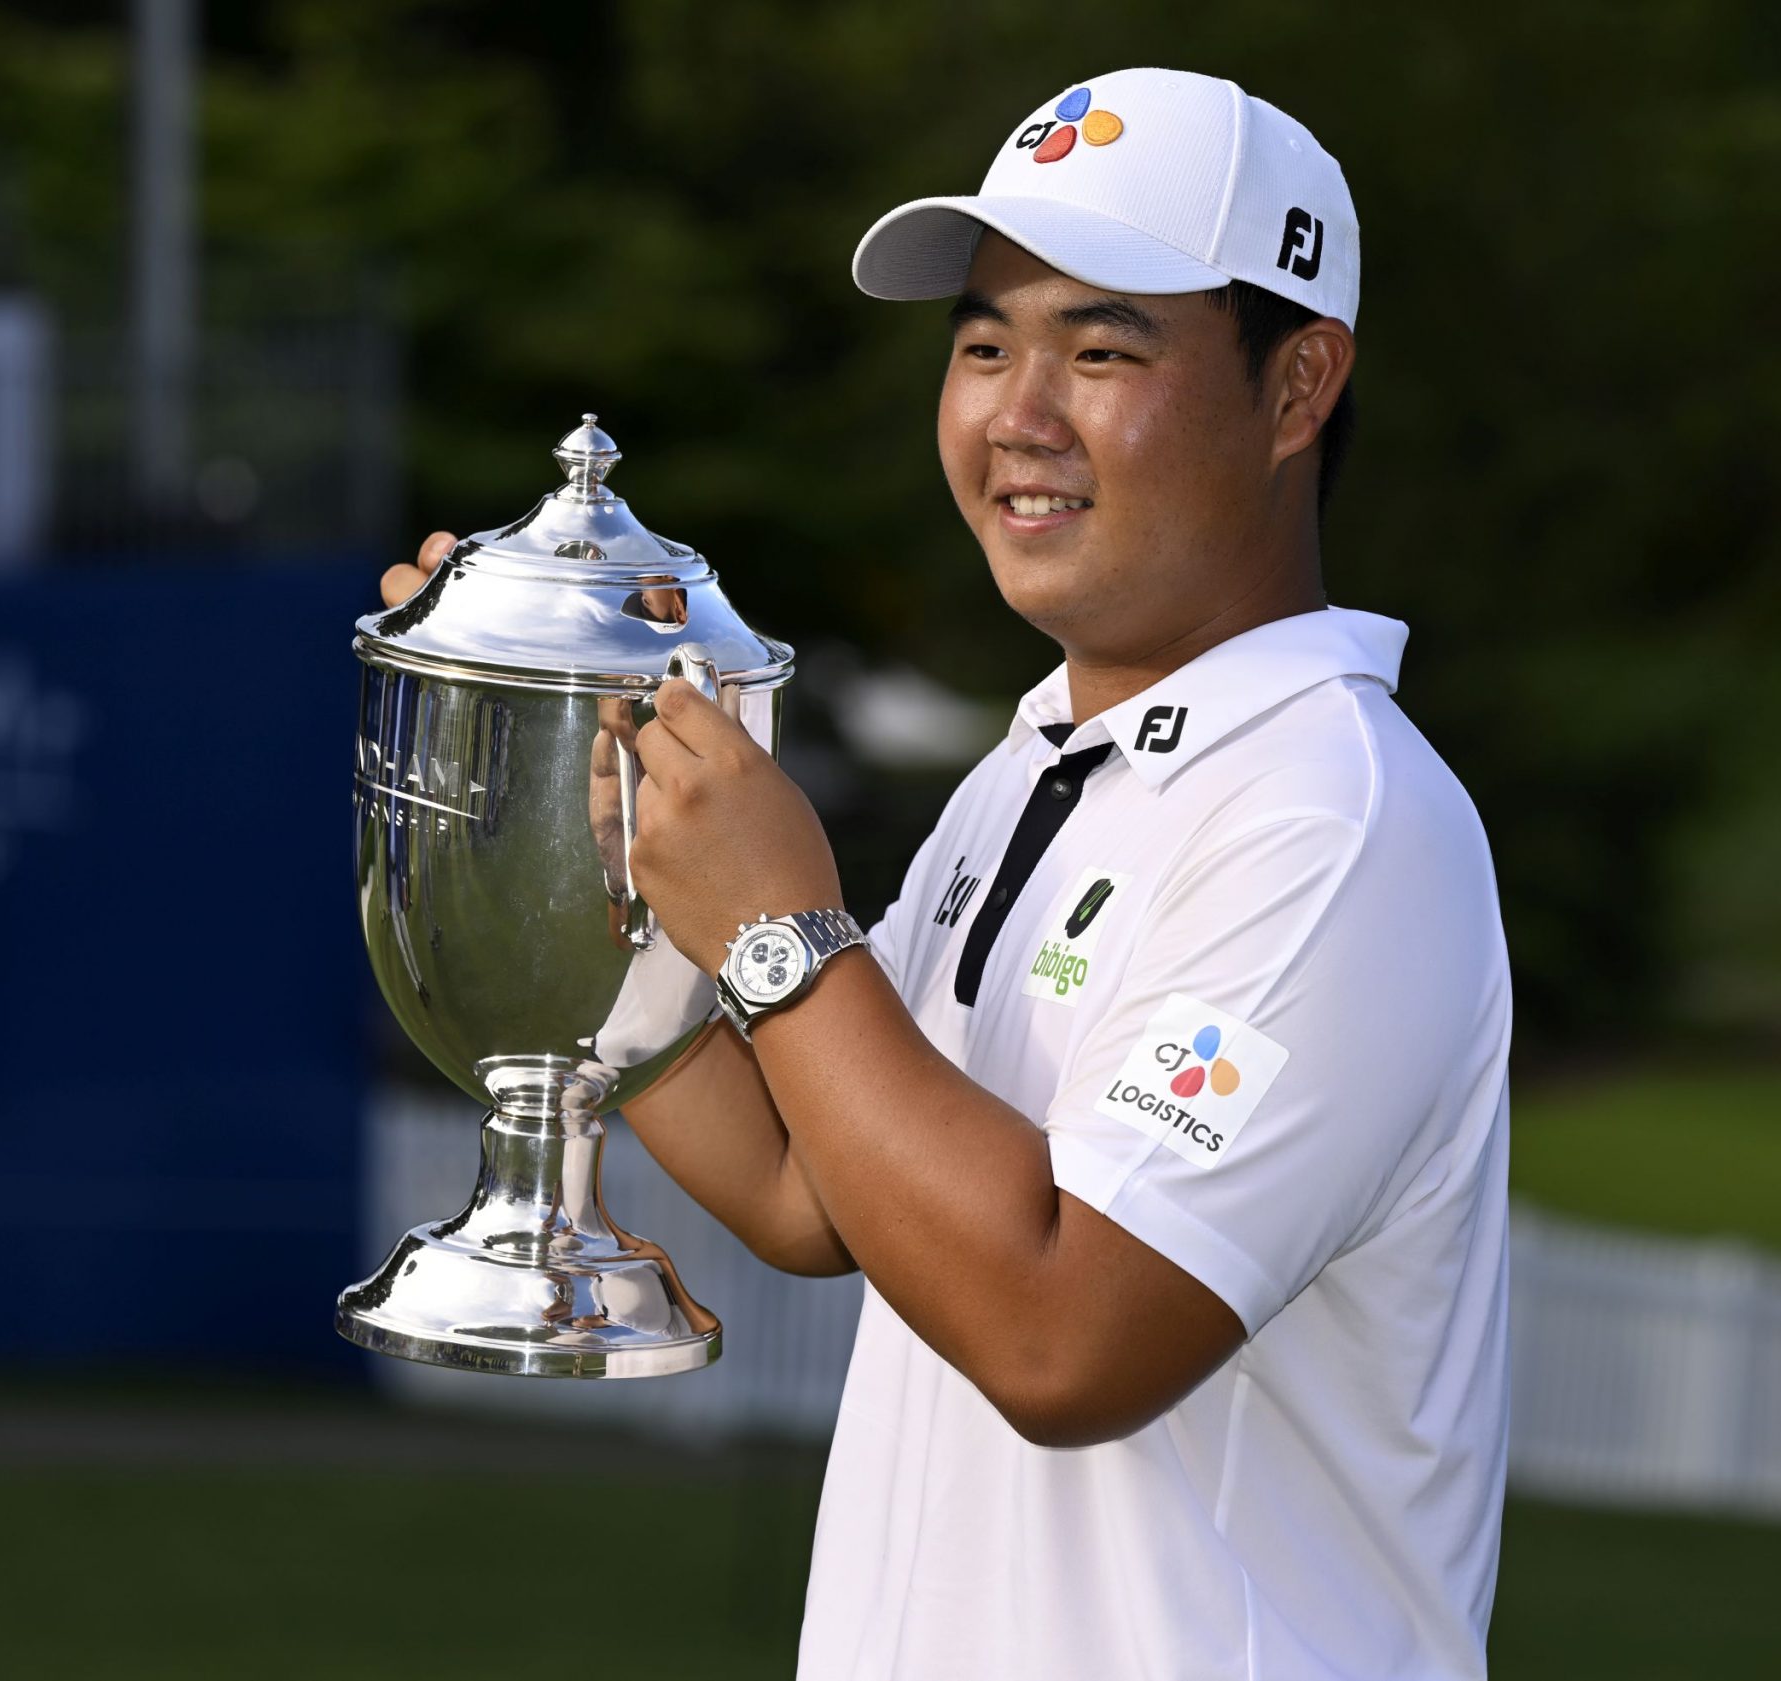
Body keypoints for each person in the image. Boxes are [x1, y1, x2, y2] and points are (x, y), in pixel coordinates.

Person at [381, 65, 1511, 1681]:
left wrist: (779, 926)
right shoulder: (1045, 759)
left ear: (1296, 388)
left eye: (1102, 347)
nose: (1016, 412)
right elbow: (809, 1179)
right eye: (984, 342)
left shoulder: (1337, 819)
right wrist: (569, 797)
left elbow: (1066, 1334)